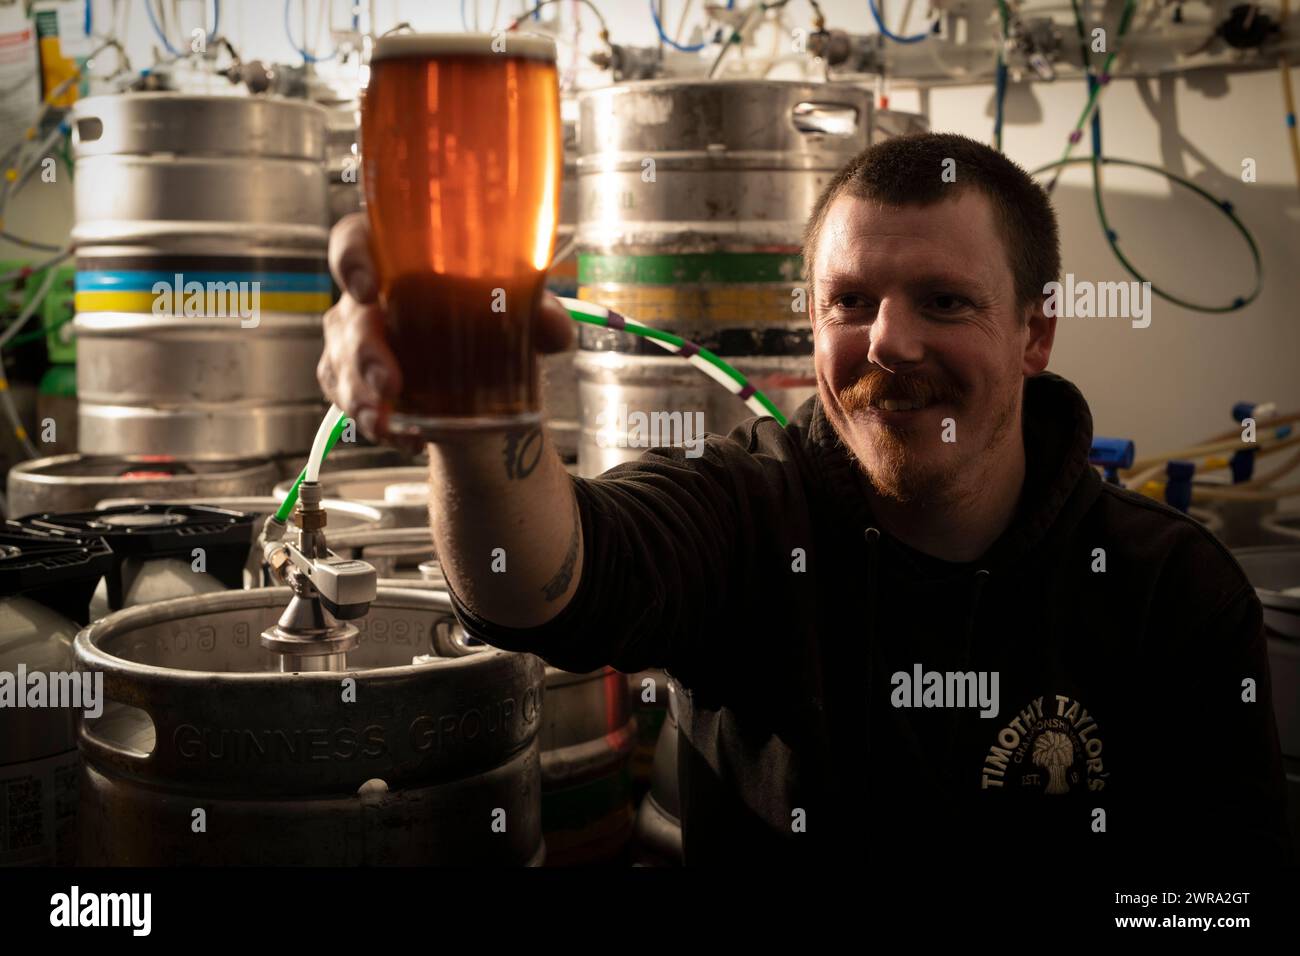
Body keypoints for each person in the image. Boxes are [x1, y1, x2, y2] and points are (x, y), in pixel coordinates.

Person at [318, 132, 1290, 866]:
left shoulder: (1168, 587)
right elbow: (537, 584)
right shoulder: (749, 515)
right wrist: (475, 417)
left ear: (1034, 336)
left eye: (943, 302)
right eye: (849, 301)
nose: (886, 343)